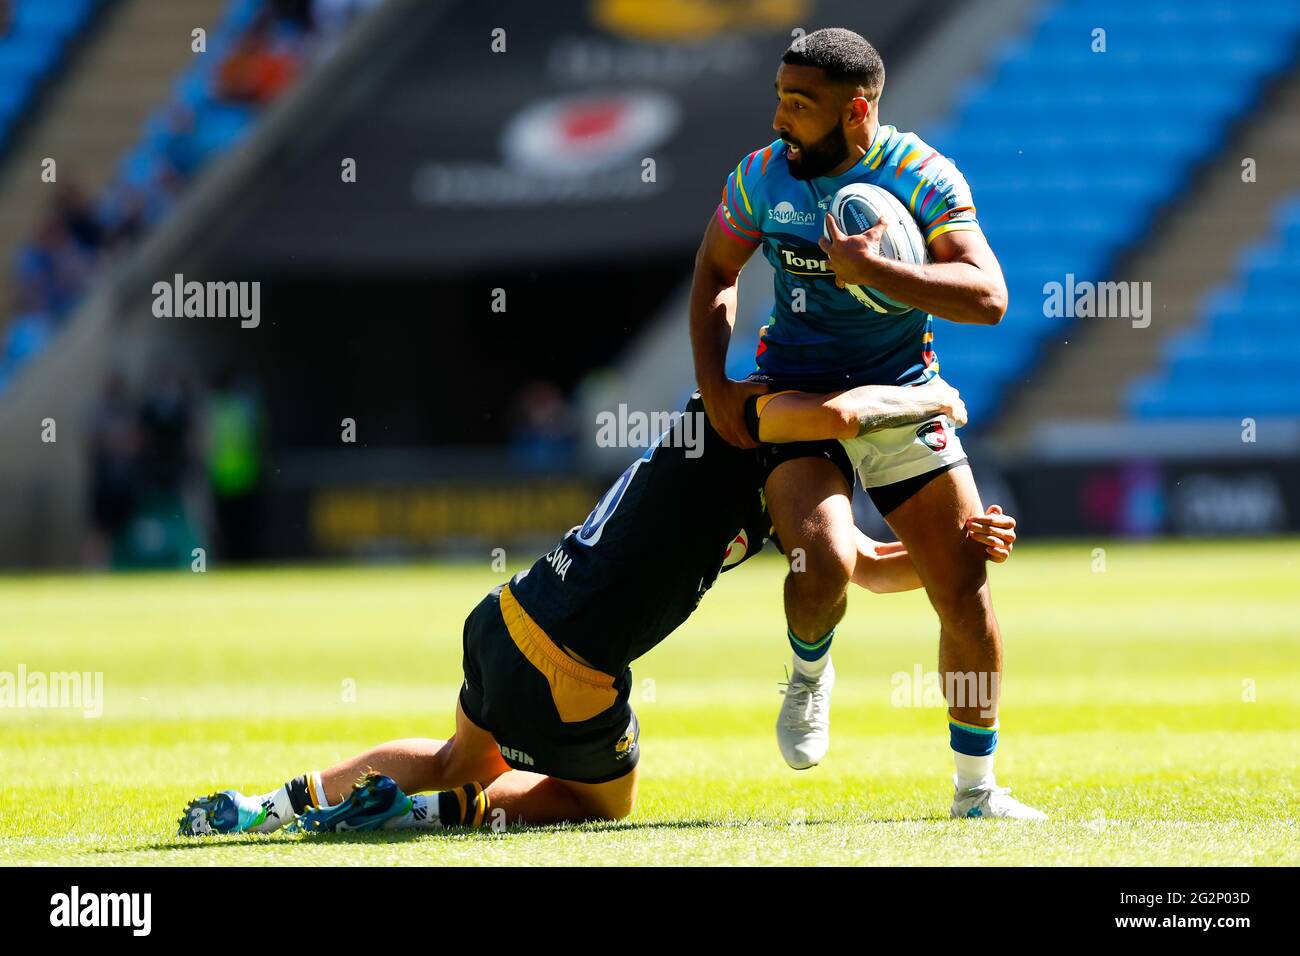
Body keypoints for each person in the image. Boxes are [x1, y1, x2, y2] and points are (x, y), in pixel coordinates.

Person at [179, 380, 1018, 834]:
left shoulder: (754, 460)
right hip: (573, 666)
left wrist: (955, 551)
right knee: (602, 806)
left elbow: (863, 569)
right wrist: (928, 399)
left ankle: (271, 807)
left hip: (506, 618)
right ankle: (433, 816)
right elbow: (834, 412)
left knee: (453, 752)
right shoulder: (749, 418)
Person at [688, 27, 1043, 818]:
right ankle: (810, 673)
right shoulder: (760, 179)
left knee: (965, 585)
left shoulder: (921, 174)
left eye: (797, 103)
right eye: (778, 96)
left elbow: (988, 297)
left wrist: (875, 269)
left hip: (900, 393)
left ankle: (977, 793)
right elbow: (716, 269)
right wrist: (714, 385)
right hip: (800, 389)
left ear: (855, 111)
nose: (779, 117)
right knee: (818, 561)